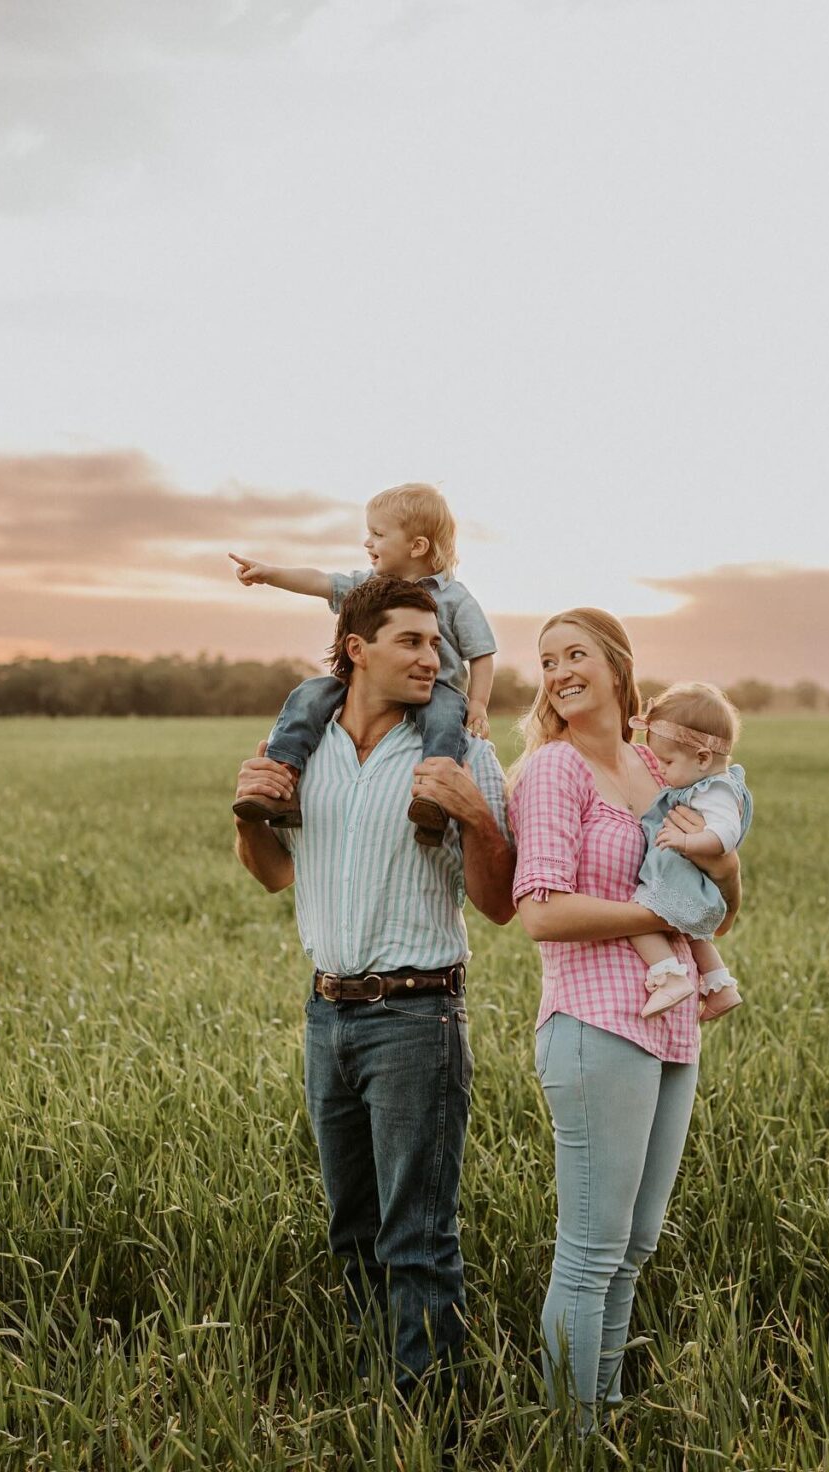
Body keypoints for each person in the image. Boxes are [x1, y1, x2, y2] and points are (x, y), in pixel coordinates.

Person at [233, 575, 515, 1394]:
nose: (435, 658)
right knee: (351, 1231)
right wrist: (245, 818)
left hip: (419, 1018)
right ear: (357, 650)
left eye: (437, 642)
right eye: (413, 642)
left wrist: (476, 816)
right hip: (327, 1016)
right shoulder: (303, 747)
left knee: (417, 1239)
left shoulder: (461, 750)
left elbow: (497, 904)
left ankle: (432, 1422)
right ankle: (373, 1401)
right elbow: (272, 876)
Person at [506, 609, 740, 1432]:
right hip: (595, 1022)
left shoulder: (657, 766)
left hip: (672, 1025)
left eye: (575, 654)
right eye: (546, 660)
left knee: (634, 1247)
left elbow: (711, 908)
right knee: (591, 1252)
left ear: (615, 667)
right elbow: (537, 913)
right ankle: (574, 1433)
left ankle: (598, 1413)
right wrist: (651, 909)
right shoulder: (551, 772)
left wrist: (724, 865)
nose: (559, 670)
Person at [229, 481, 496, 845]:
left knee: (444, 722)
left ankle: (434, 799)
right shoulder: (369, 585)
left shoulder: (455, 597)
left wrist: (477, 703)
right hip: (373, 689)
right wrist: (269, 574)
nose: (367, 542)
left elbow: (481, 653)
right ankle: (282, 776)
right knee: (310, 693)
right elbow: (322, 581)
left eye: (378, 534)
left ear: (417, 546)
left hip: (435, 692)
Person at [627, 683, 753, 1019]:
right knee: (694, 934)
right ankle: (720, 986)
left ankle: (667, 975)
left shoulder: (717, 790)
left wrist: (686, 843)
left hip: (684, 875)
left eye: (667, 761)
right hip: (691, 881)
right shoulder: (698, 785)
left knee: (638, 916)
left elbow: (725, 834)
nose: (661, 770)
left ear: (702, 758)